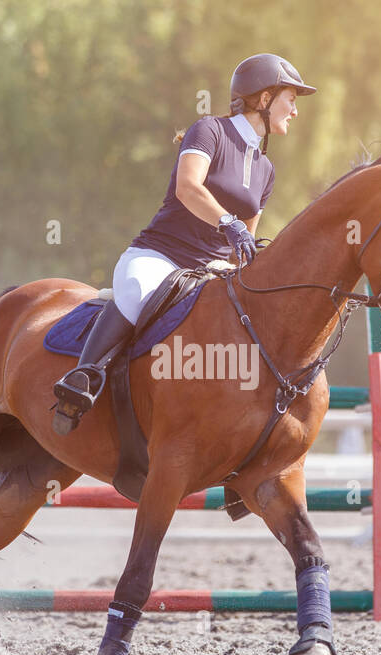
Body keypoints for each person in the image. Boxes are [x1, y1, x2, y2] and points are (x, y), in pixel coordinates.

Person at [52, 53, 316, 434]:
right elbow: (188, 188)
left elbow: (244, 238)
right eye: (290, 99)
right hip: (161, 256)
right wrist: (229, 222)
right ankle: (81, 380)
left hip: (211, 271)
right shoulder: (209, 130)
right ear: (264, 98)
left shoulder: (266, 169)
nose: (294, 110)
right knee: (138, 290)